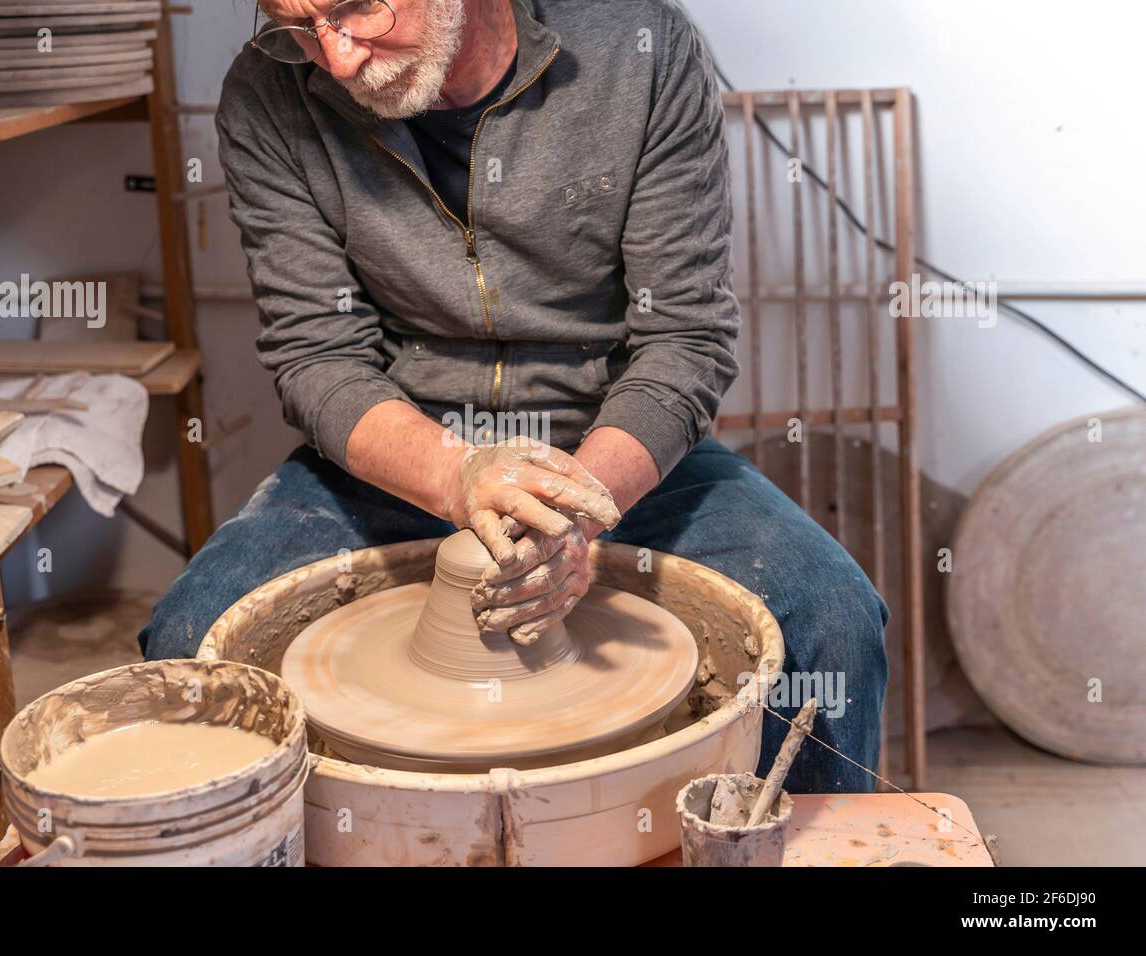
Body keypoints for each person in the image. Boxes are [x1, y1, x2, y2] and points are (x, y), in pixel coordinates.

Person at [140, 0, 888, 793]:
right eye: (297, 21)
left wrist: (574, 503)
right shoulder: (271, 87)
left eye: (357, 7)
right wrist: (455, 474)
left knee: (830, 619)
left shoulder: (641, 49)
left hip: (604, 441)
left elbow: (685, 338)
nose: (338, 55)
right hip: (405, 451)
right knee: (191, 641)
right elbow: (315, 355)